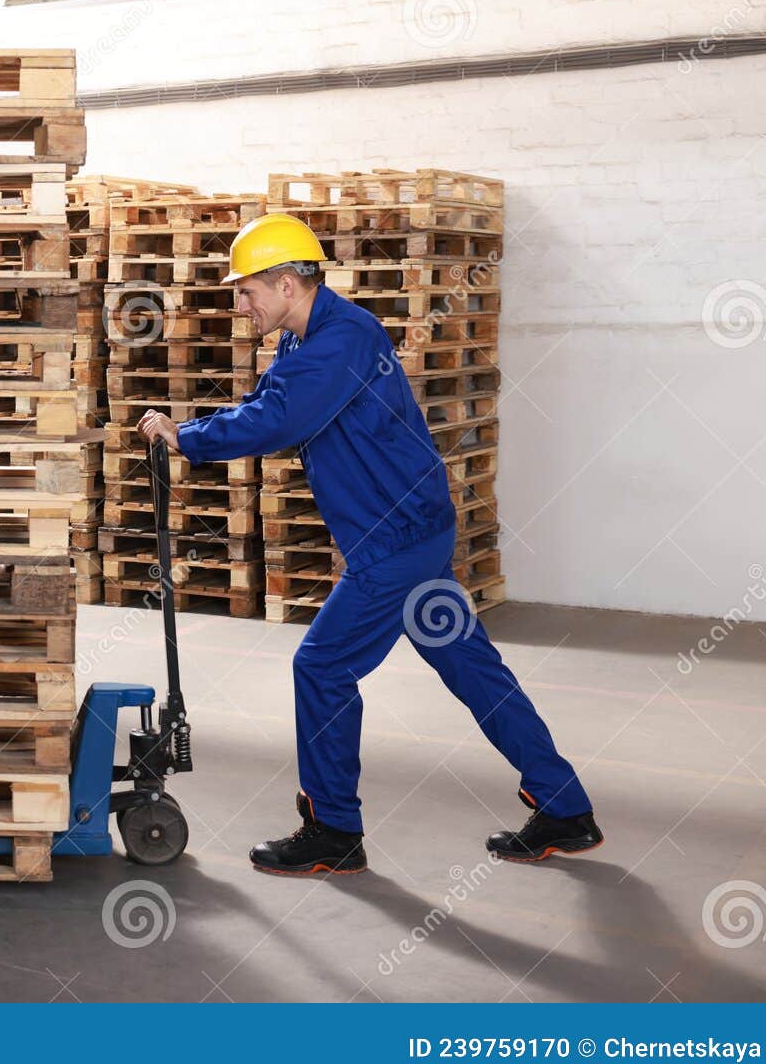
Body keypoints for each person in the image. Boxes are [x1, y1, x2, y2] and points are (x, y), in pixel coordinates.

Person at [138, 213, 602, 875]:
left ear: (288, 284)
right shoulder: (301, 345)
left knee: (321, 668)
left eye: (248, 291)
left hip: (396, 540)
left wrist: (190, 437)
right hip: (410, 529)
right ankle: (566, 808)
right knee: (472, 670)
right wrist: (196, 426)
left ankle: (333, 831)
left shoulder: (344, 338)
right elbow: (270, 401)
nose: (240, 304)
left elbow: (278, 419)